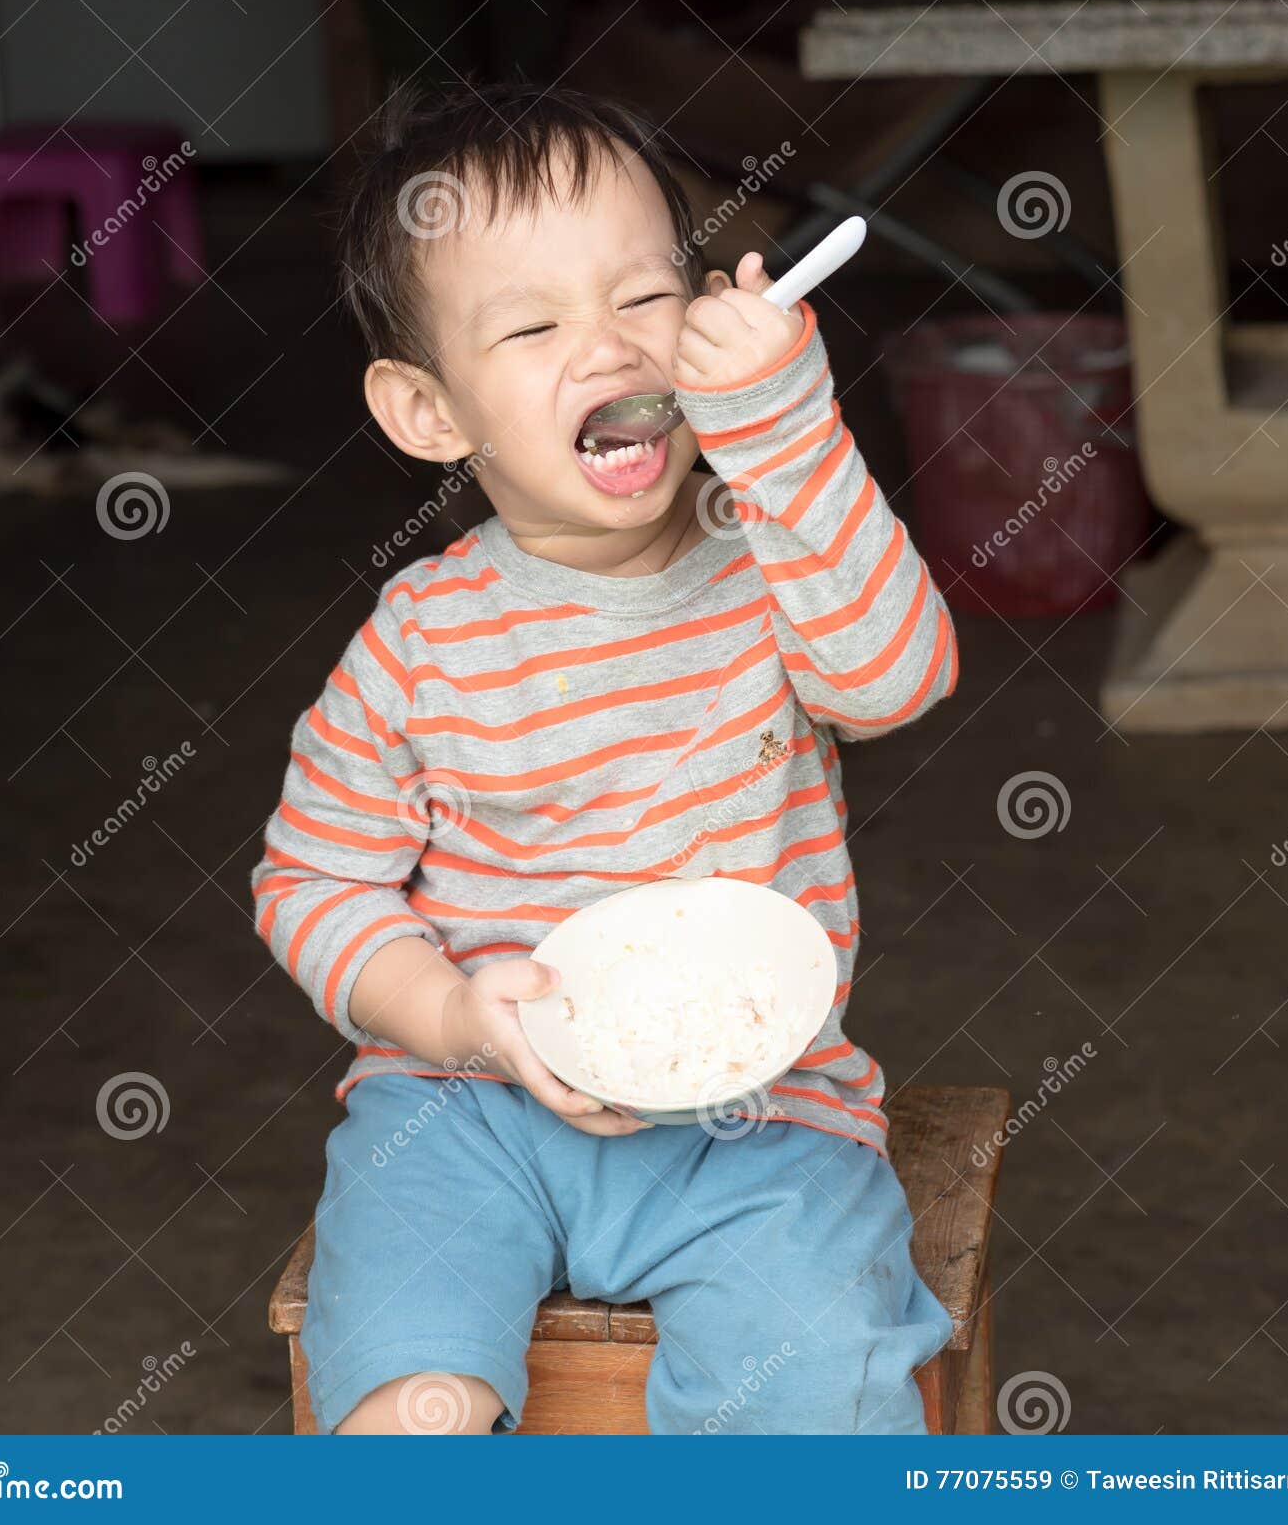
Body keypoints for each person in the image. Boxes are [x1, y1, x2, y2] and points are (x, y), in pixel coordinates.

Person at [250, 79, 959, 1434]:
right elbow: (313, 885)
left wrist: (789, 427)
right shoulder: (419, 640)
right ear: (426, 410)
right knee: (409, 1402)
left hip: (766, 1125)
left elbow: (894, 677)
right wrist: (455, 1015)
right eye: (530, 324)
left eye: (643, 301)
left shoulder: (774, 559)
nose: (607, 351)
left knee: (818, 1387)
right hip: (460, 1114)